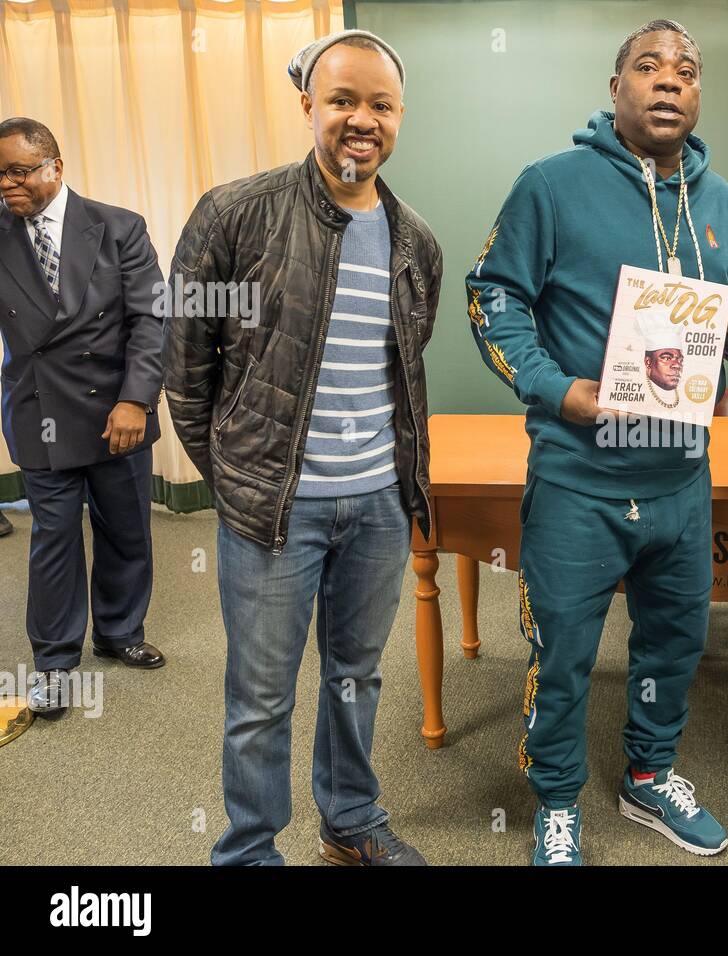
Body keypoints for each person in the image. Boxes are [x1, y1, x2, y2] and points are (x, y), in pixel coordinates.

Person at [466, 19, 728, 865]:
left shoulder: (723, 205)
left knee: (672, 642)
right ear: (615, 89)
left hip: (680, 479)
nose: (669, 82)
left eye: (687, 71)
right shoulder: (551, 185)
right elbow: (492, 300)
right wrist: (557, 389)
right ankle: (557, 800)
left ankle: (649, 773)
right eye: (648, 67)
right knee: (561, 654)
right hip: (578, 478)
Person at [164, 30, 442, 866]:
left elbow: (401, 372)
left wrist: (391, 489)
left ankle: (349, 824)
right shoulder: (233, 213)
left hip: (379, 507)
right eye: (343, 101)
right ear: (308, 107)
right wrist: (241, 479)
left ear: (399, 116)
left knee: (357, 679)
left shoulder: (414, 242)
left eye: (381, 105)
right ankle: (249, 850)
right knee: (260, 696)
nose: (362, 120)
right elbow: (186, 370)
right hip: (273, 512)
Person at [0, 116, 167, 718]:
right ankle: (53, 663)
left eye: (18, 171)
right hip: (38, 407)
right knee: (53, 538)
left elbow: (152, 319)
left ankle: (120, 632)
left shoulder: (119, 227)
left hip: (115, 407)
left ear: (55, 167)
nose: (7, 185)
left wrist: (136, 399)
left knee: (126, 528)